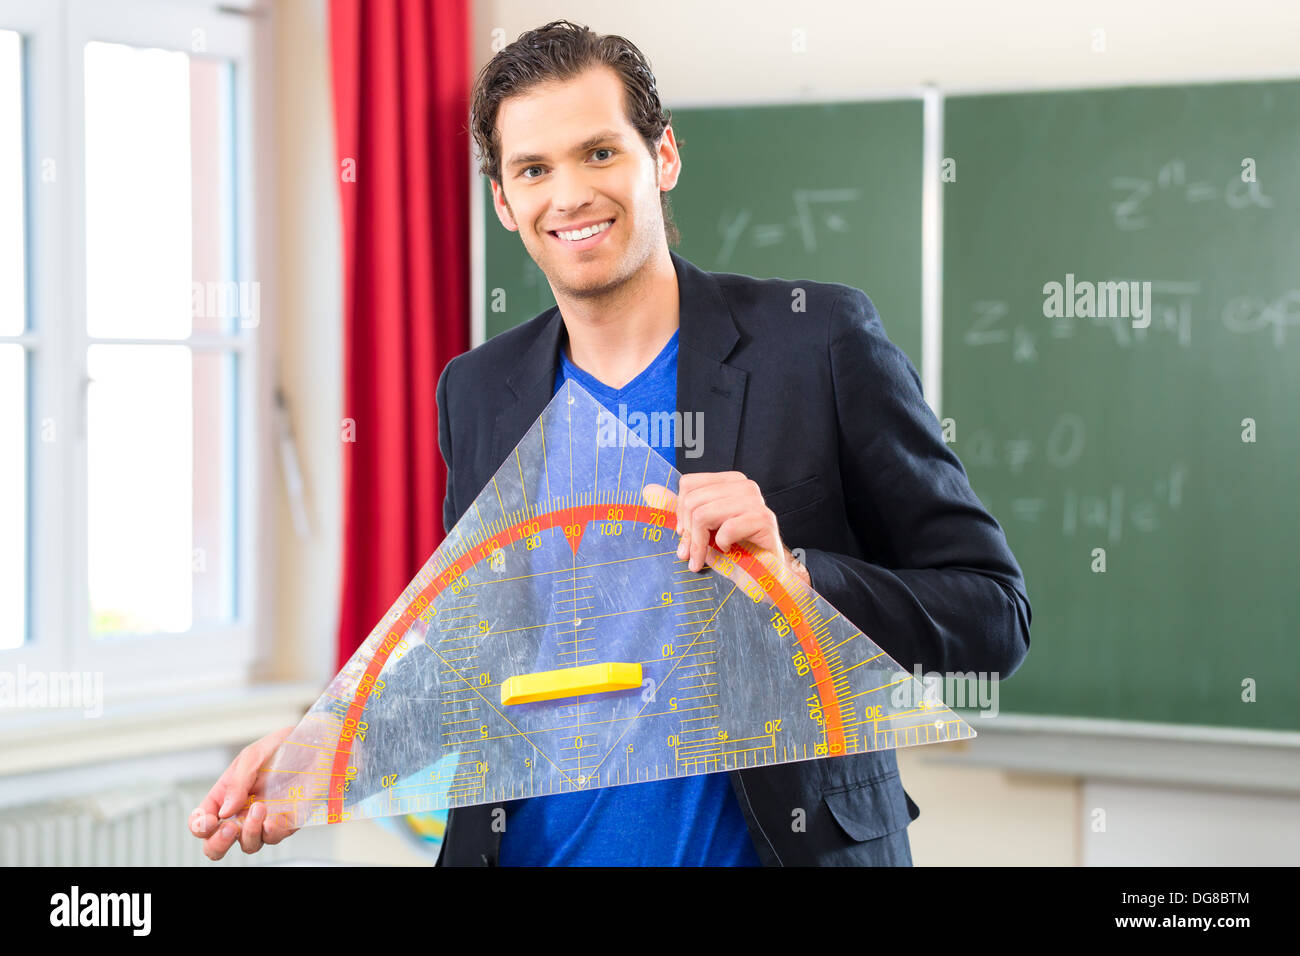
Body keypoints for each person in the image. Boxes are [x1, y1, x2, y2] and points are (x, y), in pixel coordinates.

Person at [191, 19, 1031, 866]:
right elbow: (473, 661)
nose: (570, 196)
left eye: (599, 153)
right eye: (534, 169)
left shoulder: (816, 342)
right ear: (503, 201)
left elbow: (994, 616)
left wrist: (799, 577)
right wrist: (324, 751)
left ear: (661, 156)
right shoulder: (479, 392)